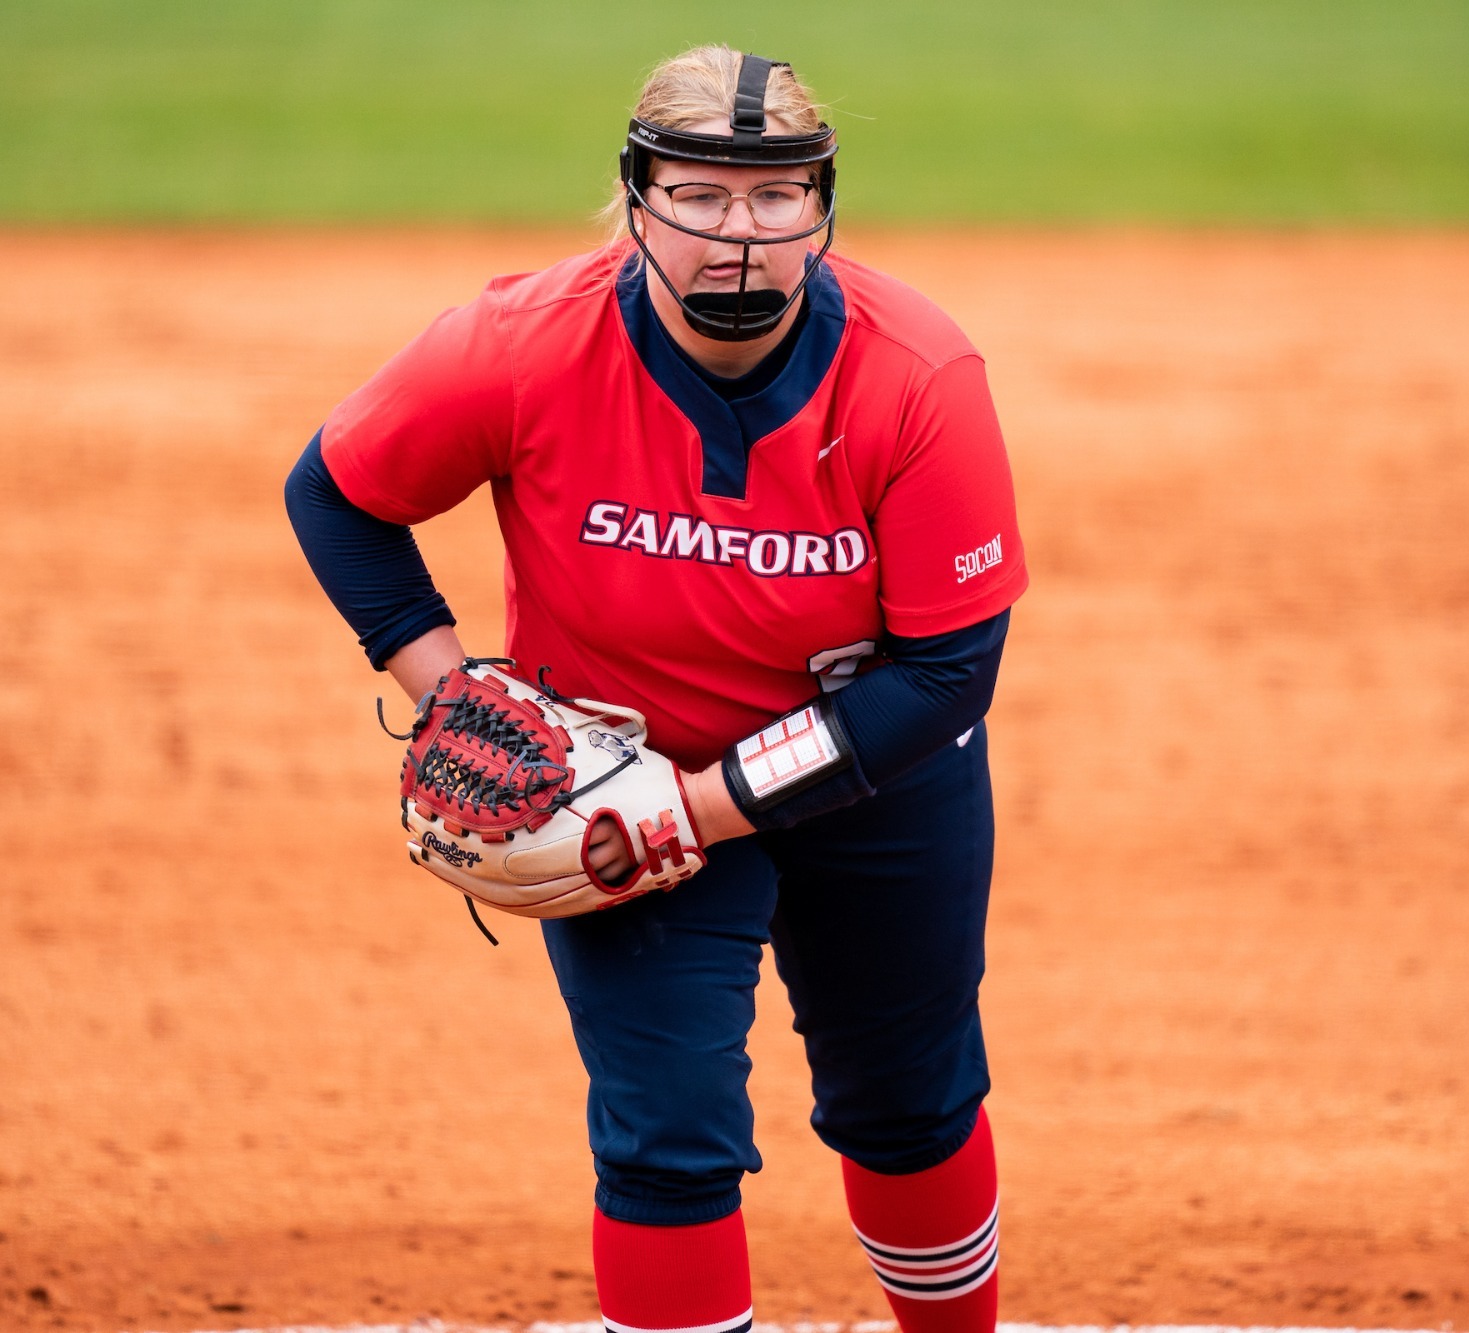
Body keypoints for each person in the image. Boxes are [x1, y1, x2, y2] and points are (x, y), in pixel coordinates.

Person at [284, 44, 1026, 1333]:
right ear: (637, 200)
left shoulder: (916, 374)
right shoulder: (523, 347)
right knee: (665, 1141)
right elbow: (335, 492)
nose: (738, 234)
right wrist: (451, 692)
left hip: (876, 779)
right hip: (617, 787)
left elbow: (948, 672)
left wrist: (702, 806)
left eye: (776, 196)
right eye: (700, 195)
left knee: (909, 1108)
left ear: (822, 207)